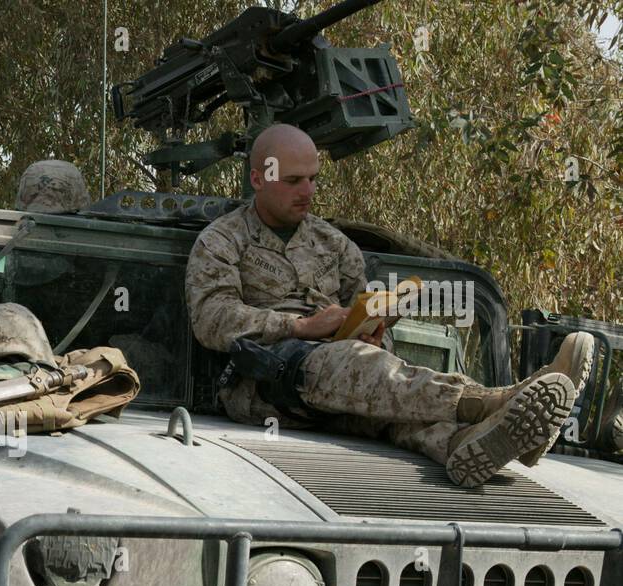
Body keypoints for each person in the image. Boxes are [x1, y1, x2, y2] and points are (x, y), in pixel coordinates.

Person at [185, 123, 593, 487]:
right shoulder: (223, 241)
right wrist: (299, 327)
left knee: (395, 411)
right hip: (265, 386)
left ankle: (469, 442)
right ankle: (494, 401)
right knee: (354, 364)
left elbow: (361, 318)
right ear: (259, 178)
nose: (307, 191)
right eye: (294, 180)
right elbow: (210, 318)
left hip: (343, 385)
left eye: (313, 179)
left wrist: (376, 333)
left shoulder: (334, 244)